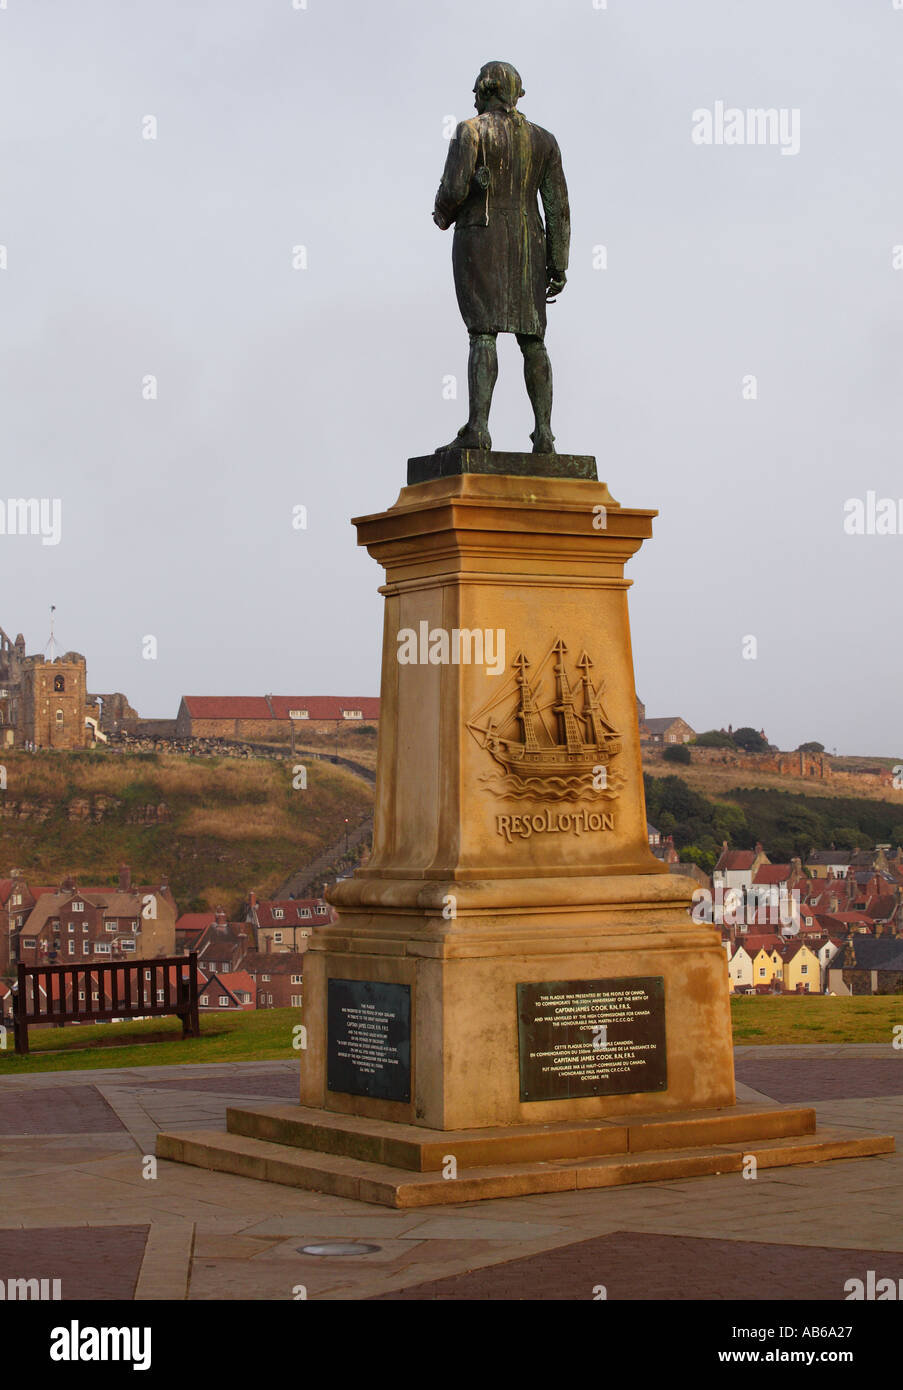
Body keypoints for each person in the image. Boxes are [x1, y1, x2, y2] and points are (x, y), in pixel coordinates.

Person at [433, 61, 570, 454]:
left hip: (482, 237)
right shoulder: (544, 140)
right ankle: (544, 435)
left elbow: (453, 189)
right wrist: (558, 262)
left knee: (483, 335)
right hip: (530, 241)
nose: (473, 98)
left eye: (476, 90)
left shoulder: (471, 131)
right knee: (533, 340)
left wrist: (442, 212)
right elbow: (558, 206)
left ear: (486, 90)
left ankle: (478, 429)